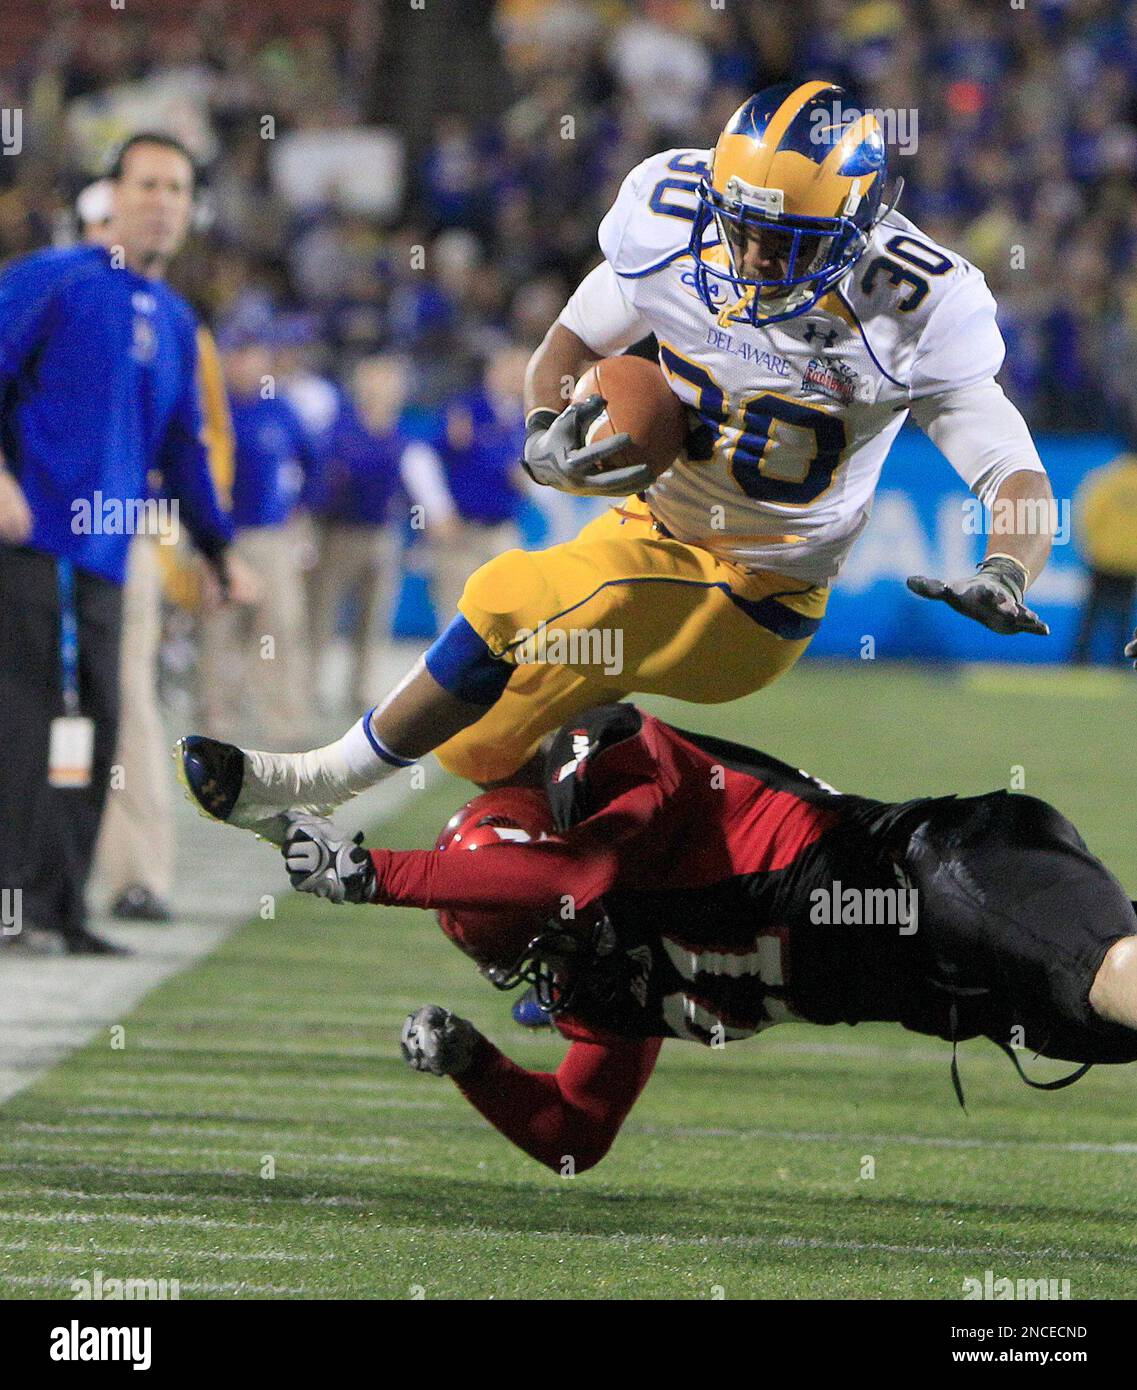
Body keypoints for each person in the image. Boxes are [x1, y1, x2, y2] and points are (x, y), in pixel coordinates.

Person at [177, 81, 1057, 844]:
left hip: (758, 594)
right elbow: (568, 343)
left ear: (856, 228)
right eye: (742, 227)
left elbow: (1009, 470)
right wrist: (543, 427)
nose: (752, 259)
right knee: (484, 744)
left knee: (501, 595)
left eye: (783, 242)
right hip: (646, 530)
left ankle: (310, 783)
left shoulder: (915, 304)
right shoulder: (670, 221)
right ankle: (583, 928)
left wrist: (1006, 569)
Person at [279, 702, 1137, 1173]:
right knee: (1102, 1013)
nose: (551, 970)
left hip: (948, 863)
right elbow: (575, 1136)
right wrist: (479, 1066)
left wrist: (364, 874)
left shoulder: (607, 764)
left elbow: (571, 878)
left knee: (1110, 974)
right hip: (964, 998)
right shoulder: (602, 980)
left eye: (543, 943)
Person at [0, 132, 251, 954]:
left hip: (108, 558)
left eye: (176, 188)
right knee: (30, 721)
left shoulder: (177, 321)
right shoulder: (54, 278)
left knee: (96, 727)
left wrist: (217, 551)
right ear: (110, 194)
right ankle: (20, 907)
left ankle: (59, 907)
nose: (162, 201)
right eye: (146, 184)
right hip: (32, 543)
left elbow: (181, 451)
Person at [199, 318, 321, 745]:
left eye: (253, 354)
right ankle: (219, 724)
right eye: (236, 354)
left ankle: (283, 722)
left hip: (271, 538)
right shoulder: (210, 406)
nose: (245, 363)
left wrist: (300, 510)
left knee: (282, 628)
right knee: (220, 632)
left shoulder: (280, 408)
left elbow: (313, 462)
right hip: (220, 537)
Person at [400, 344, 528, 625]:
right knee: (460, 620)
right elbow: (418, 457)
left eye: (523, 368)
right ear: (492, 372)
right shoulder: (466, 409)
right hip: (462, 532)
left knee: (510, 617)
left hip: (502, 530)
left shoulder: (525, 416)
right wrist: (437, 511)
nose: (517, 375)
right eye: (510, 367)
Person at [307, 355, 408, 712]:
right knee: (321, 616)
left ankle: (361, 691)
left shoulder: (398, 431)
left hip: (382, 533)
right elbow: (324, 480)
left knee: (373, 619)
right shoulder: (342, 427)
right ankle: (307, 688)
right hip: (340, 534)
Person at [1070, 449, 1137, 665]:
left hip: (1102, 559)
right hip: (1130, 563)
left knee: (1091, 617)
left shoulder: (1107, 478)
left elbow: (1088, 514)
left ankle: (1079, 661)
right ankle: (1118, 662)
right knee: (1123, 619)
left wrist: (1091, 547)